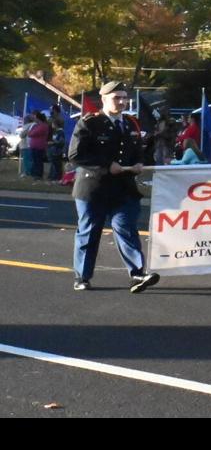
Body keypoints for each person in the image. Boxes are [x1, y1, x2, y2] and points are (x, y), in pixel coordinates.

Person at [67, 81, 159, 293]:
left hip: (123, 187)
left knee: (127, 229)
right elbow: (75, 154)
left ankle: (138, 274)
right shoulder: (90, 123)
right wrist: (107, 165)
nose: (122, 102)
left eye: (124, 98)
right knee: (89, 232)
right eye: (116, 98)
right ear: (104, 99)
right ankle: (82, 277)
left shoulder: (131, 123)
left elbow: (137, 150)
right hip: (94, 187)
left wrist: (139, 163)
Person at [47, 105, 67, 181]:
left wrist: (53, 121)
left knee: (56, 162)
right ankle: (52, 175)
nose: (51, 111)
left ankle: (56, 176)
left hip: (56, 144)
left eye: (52, 110)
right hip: (51, 141)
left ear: (55, 110)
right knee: (53, 160)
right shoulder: (51, 118)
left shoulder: (59, 119)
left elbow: (58, 126)